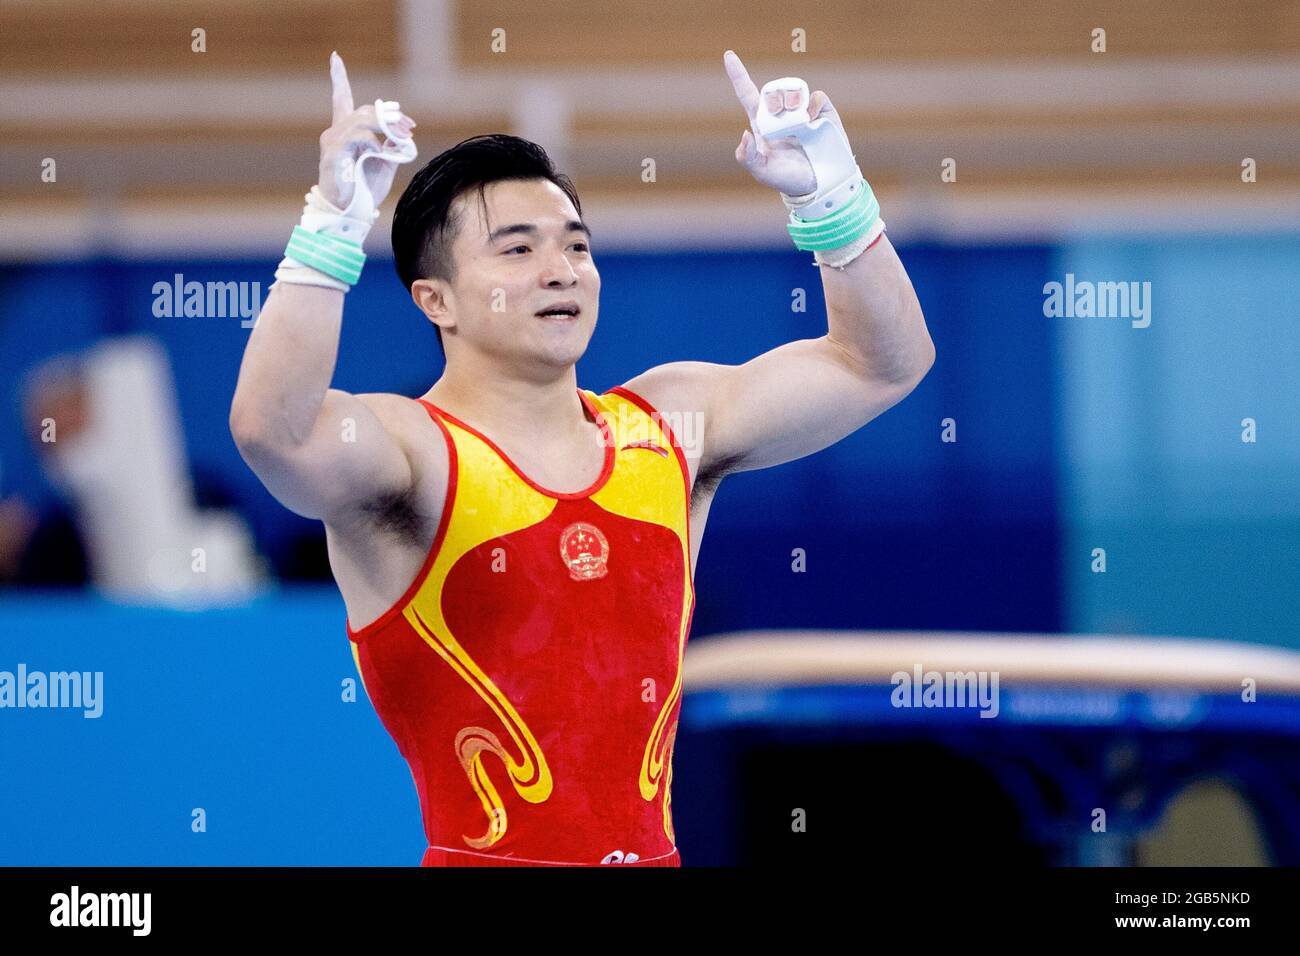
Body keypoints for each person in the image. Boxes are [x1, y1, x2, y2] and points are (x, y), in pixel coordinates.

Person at [229, 50, 934, 866]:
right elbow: (274, 433)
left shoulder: (671, 430)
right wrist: (330, 227)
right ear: (436, 300)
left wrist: (831, 196)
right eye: (518, 251)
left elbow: (882, 363)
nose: (561, 270)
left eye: (575, 245)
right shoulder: (414, 457)